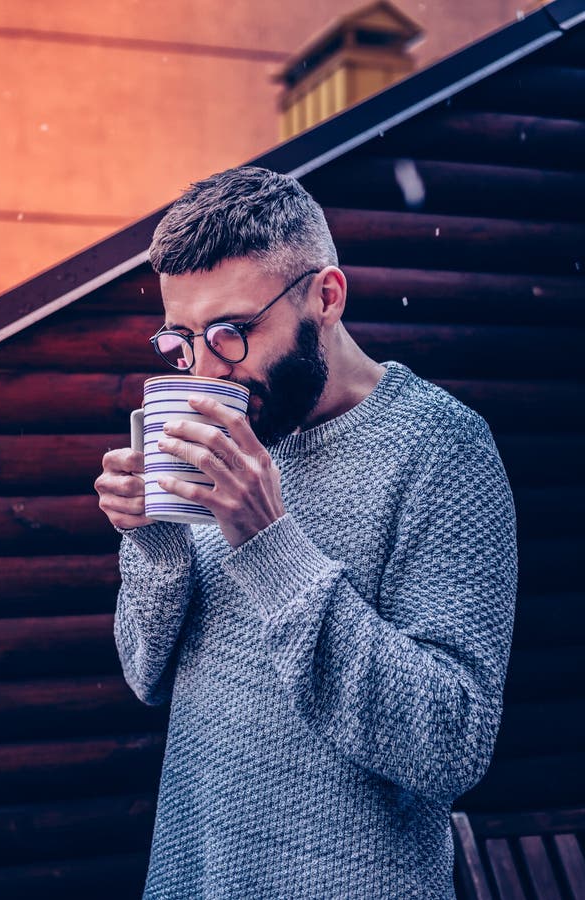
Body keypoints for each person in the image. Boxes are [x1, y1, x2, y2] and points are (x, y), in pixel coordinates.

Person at [95, 165, 517, 899]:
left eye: (232, 332)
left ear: (326, 296)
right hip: (193, 876)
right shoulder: (223, 424)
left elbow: (452, 745)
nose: (203, 370)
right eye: (181, 339)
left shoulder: (444, 448)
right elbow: (145, 674)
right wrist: (156, 547)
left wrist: (270, 544)